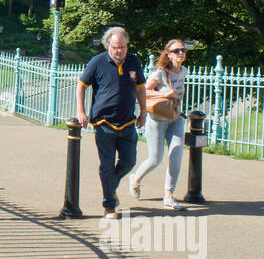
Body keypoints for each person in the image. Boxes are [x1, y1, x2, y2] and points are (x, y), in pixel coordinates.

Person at [71, 26, 147, 220]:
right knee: (106, 166)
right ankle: (109, 205)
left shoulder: (133, 61)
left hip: (127, 121)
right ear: (108, 46)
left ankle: (110, 187)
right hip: (104, 123)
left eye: (123, 46)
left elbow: (140, 88)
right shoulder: (97, 62)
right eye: (115, 47)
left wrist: (143, 111)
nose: (119, 51)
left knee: (129, 161)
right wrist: (81, 111)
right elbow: (81, 86)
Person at [127, 40, 192, 210]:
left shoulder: (183, 70)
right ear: (169, 54)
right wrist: (165, 95)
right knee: (155, 159)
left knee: (176, 154)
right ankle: (136, 179)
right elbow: (143, 91)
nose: (180, 53)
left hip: (175, 117)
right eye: (176, 51)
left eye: (183, 50)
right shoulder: (160, 73)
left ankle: (169, 195)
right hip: (156, 119)